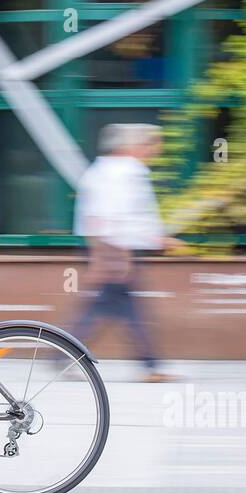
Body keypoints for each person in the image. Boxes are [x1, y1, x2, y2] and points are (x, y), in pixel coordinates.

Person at [71, 123, 182, 383]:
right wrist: (154, 239)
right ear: (134, 146)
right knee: (122, 309)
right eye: (151, 145)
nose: (154, 151)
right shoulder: (125, 172)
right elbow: (119, 216)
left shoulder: (101, 170)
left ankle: (63, 354)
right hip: (115, 250)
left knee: (113, 308)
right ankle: (150, 365)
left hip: (109, 248)